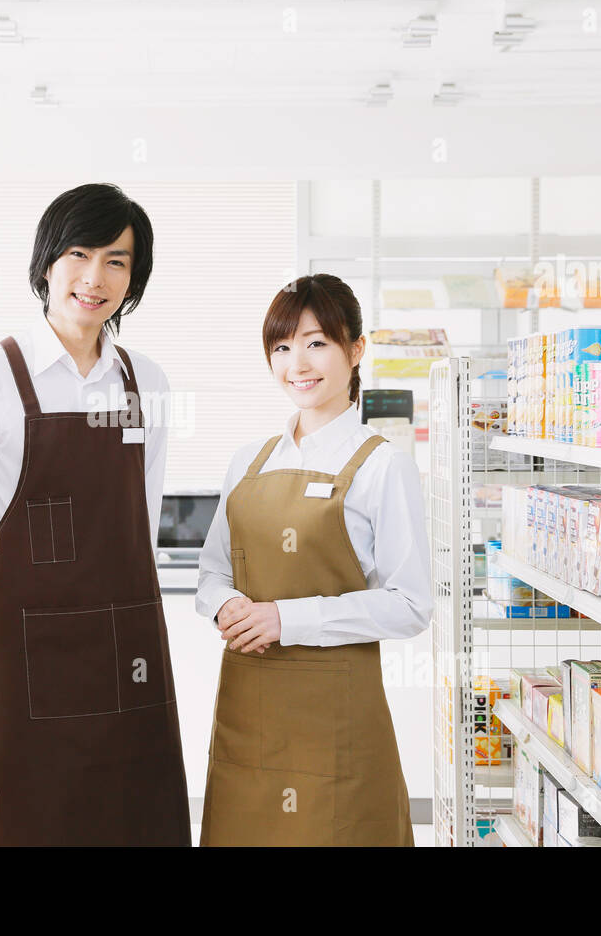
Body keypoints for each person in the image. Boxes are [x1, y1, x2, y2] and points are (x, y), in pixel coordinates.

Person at [0, 183, 190, 846]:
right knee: (36, 819)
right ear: (47, 262)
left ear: (133, 280)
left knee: (139, 816)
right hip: (33, 658)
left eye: (117, 260)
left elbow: (143, 521)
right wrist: (22, 641)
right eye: (79, 252)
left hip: (131, 651)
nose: (94, 276)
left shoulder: (147, 383)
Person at [196, 273, 431, 846]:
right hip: (249, 713)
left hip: (337, 722)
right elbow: (211, 573)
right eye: (281, 347)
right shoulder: (248, 461)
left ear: (355, 350)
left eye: (316, 342)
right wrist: (227, 603)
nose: (296, 362)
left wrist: (287, 619)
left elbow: (411, 606)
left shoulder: (382, 464)